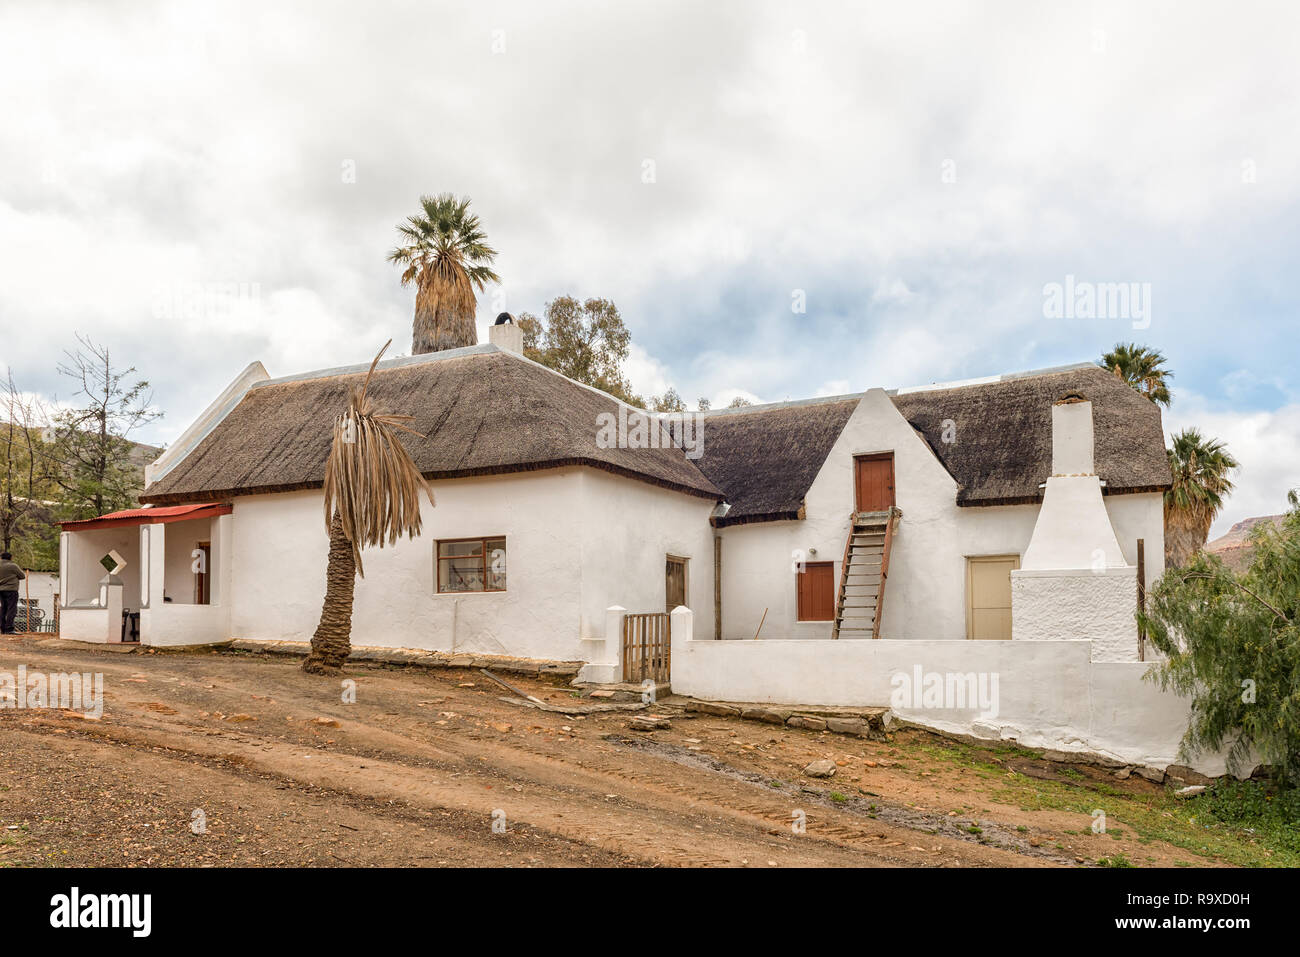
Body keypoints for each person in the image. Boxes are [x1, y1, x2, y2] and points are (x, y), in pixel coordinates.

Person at [0, 552, 24, 634]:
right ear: (11, 558)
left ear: (1, 557)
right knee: (11, 609)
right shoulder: (13, 566)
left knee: (3, 608)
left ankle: (2, 628)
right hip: (11, 590)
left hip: (1, 590)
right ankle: (9, 629)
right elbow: (22, 576)